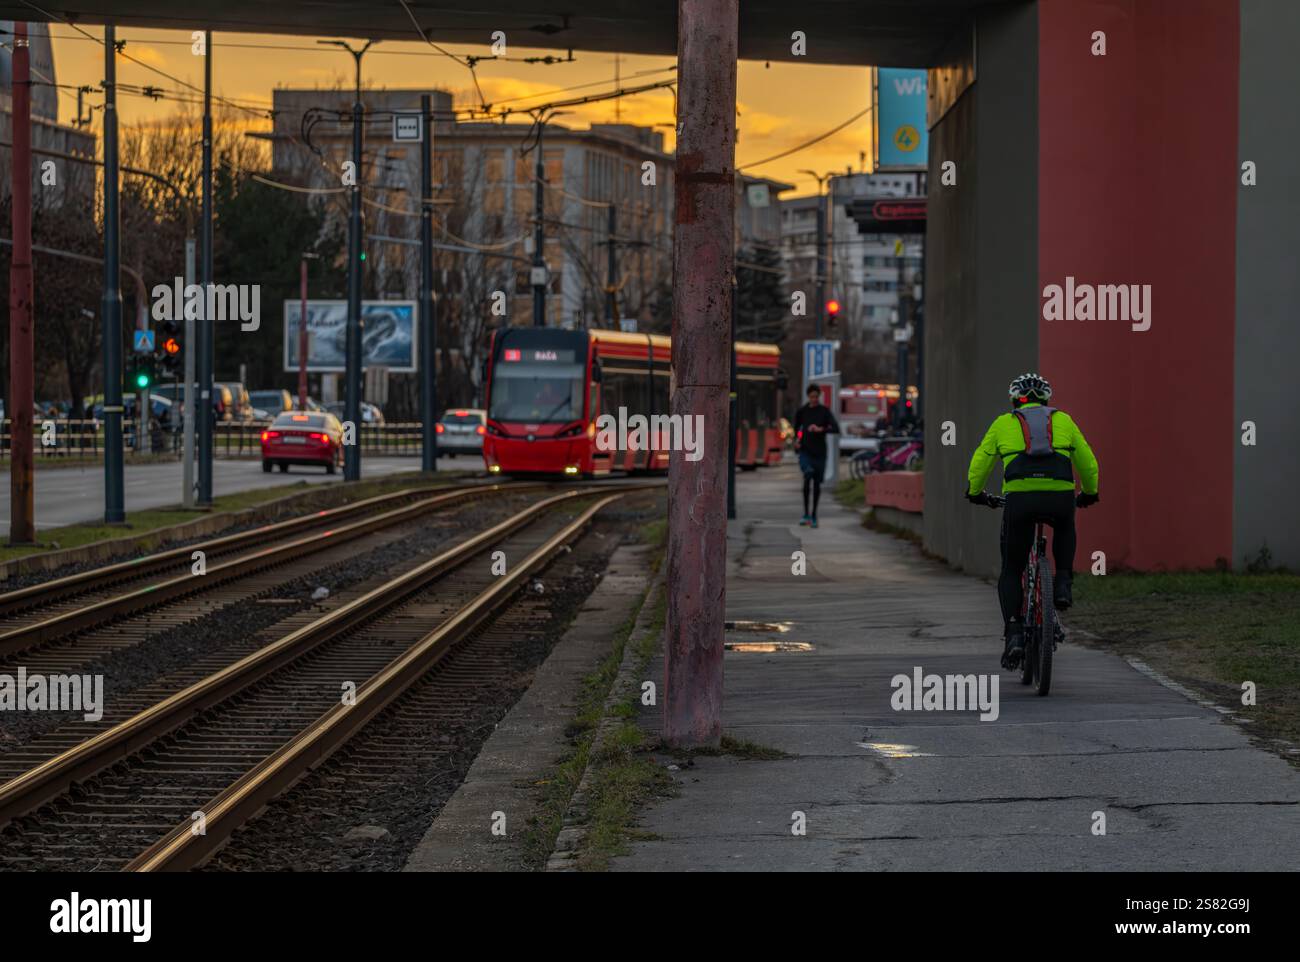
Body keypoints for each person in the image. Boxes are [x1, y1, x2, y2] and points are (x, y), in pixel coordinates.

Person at [965, 373, 1099, 668]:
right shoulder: (1064, 420)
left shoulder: (1003, 423)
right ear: (1046, 399)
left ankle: (1014, 632)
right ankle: (1062, 584)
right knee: (1065, 523)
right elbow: (1088, 461)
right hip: (1059, 495)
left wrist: (975, 492)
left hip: (1020, 499)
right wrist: (1090, 492)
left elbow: (980, 461)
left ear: (1015, 400)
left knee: (1012, 567)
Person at [793, 385, 840, 528]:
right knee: (807, 476)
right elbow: (797, 429)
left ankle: (814, 515)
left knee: (817, 483)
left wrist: (821, 429)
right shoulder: (802, 411)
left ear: (819, 396)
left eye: (815, 396)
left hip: (820, 452)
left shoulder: (824, 412)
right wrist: (798, 440)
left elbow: (835, 428)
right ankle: (805, 514)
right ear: (808, 396)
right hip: (806, 449)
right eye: (811, 396)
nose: (813, 399)